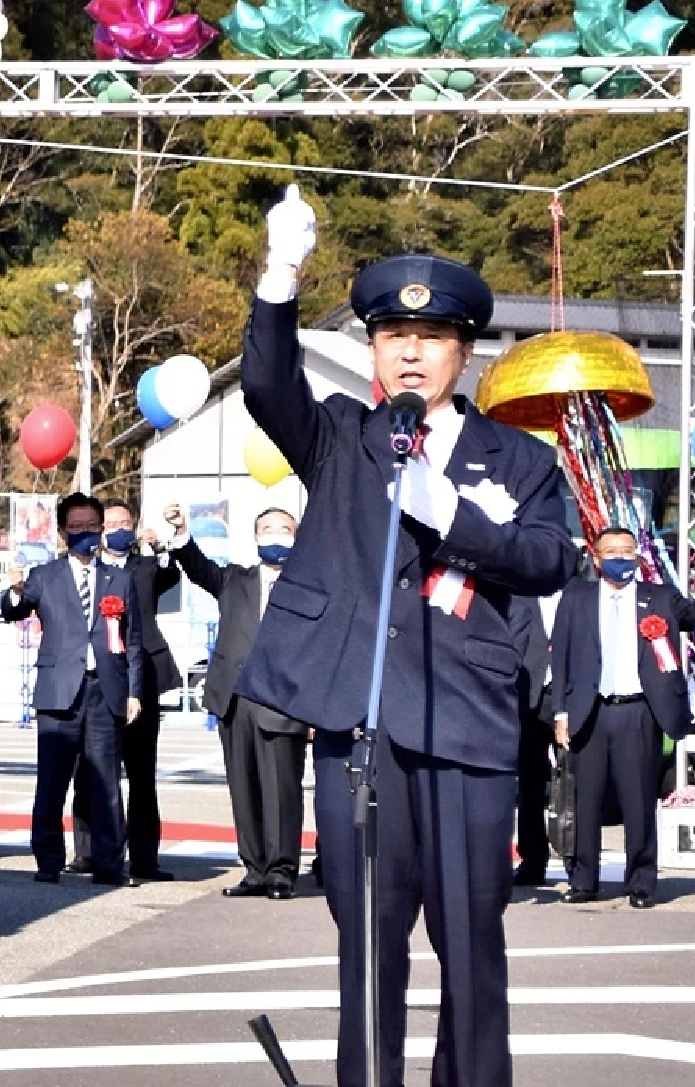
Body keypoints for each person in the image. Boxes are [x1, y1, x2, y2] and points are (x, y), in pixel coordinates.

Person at [238, 186, 579, 1087]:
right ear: (374, 354)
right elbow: (270, 386)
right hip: (361, 728)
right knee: (368, 954)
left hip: (467, 730)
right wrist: (279, 278)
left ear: (463, 353)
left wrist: (455, 516)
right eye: (394, 338)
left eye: (430, 339)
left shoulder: (518, 461)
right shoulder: (343, 435)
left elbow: (550, 558)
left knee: (471, 950)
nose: (413, 351)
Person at [547, 528, 695, 907]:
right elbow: (560, 656)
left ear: (637, 557)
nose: (621, 558)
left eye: (628, 552)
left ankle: (642, 883)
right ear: (596, 558)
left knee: (639, 800)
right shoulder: (576, 596)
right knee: (586, 800)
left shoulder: (658, 597)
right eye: (612, 551)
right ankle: (583, 880)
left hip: (638, 711)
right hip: (589, 711)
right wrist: (560, 712)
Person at [168, 503, 310, 900]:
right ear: (255, 536)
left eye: (285, 529)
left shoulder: (308, 585)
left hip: (283, 702)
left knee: (281, 789)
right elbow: (198, 568)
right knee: (243, 788)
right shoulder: (235, 579)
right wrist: (181, 533)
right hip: (235, 699)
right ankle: (254, 869)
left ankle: (282, 870)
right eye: (268, 529)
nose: (276, 535)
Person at [3, 492, 145, 887]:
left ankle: (110, 864)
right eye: (77, 527)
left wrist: (134, 691)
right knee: (52, 781)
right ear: (64, 532)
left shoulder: (120, 578)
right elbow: (14, 610)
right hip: (59, 690)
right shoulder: (44, 576)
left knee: (106, 782)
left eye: (92, 526)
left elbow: (133, 641)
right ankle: (48, 861)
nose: (86, 533)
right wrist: (15, 590)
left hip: (105, 690)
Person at [70, 499, 180, 881]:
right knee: (90, 771)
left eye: (124, 522)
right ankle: (87, 851)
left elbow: (171, 575)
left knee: (141, 773)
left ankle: (145, 857)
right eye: (110, 522)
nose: (117, 528)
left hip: (140, 680)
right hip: (96, 682)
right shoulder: (86, 569)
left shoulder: (146, 567)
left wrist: (158, 545)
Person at [510, 587, 557, 889]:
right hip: (530, 696)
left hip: (574, 694)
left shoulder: (584, 593)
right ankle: (532, 860)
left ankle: (580, 860)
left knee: (581, 784)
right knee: (530, 782)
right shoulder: (519, 594)